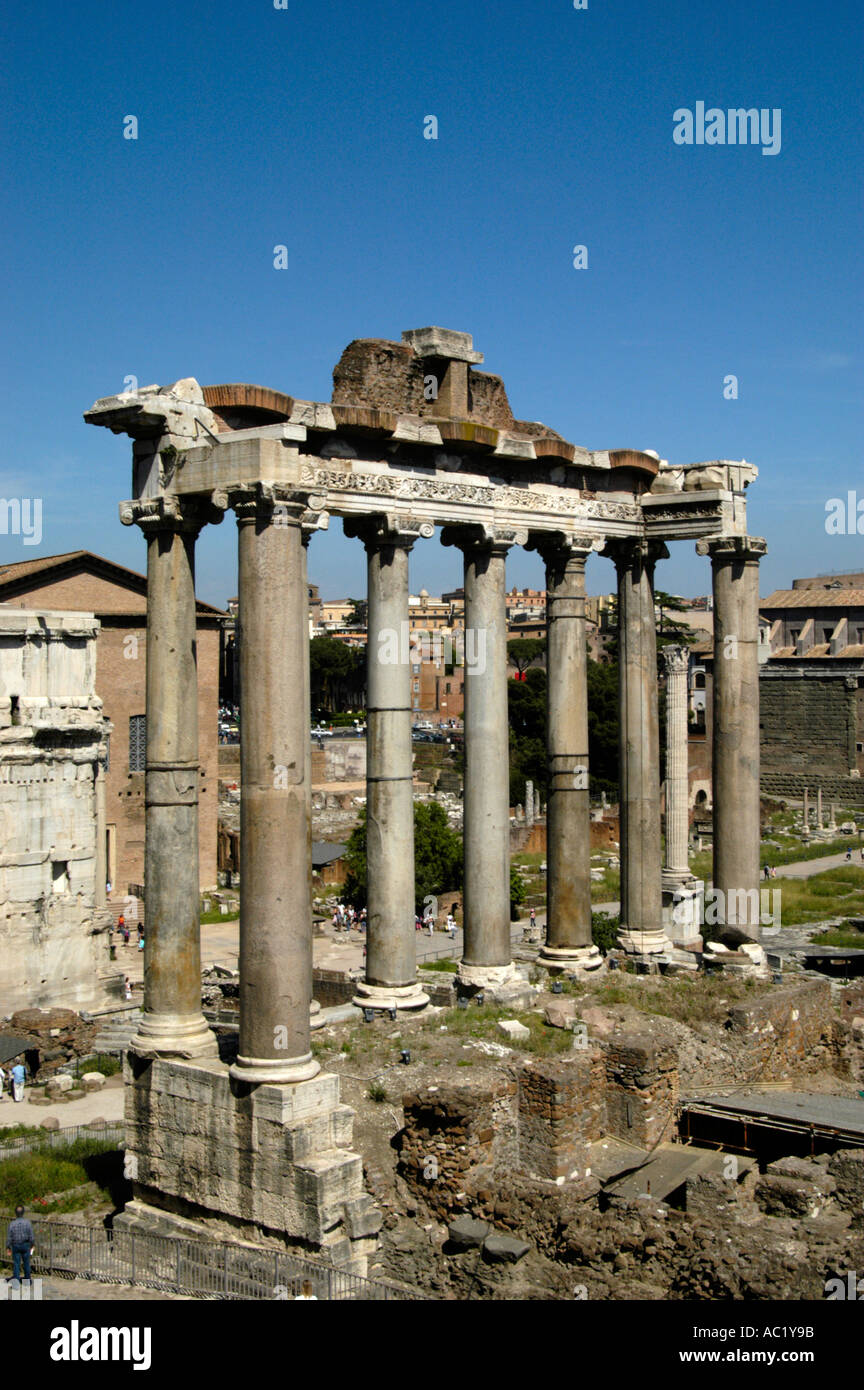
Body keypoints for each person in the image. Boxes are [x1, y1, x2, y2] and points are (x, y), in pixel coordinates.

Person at [6, 1206, 35, 1285]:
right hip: (25, 1245)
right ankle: (27, 1281)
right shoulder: (28, 1223)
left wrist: (8, 1247)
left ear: (15, 1213)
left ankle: (16, 1282)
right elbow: (31, 1235)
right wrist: (32, 1244)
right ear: (23, 1213)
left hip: (15, 1245)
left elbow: (9, 1237)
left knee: (16, 1264)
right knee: (26, 1263)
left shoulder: (12, 1224)